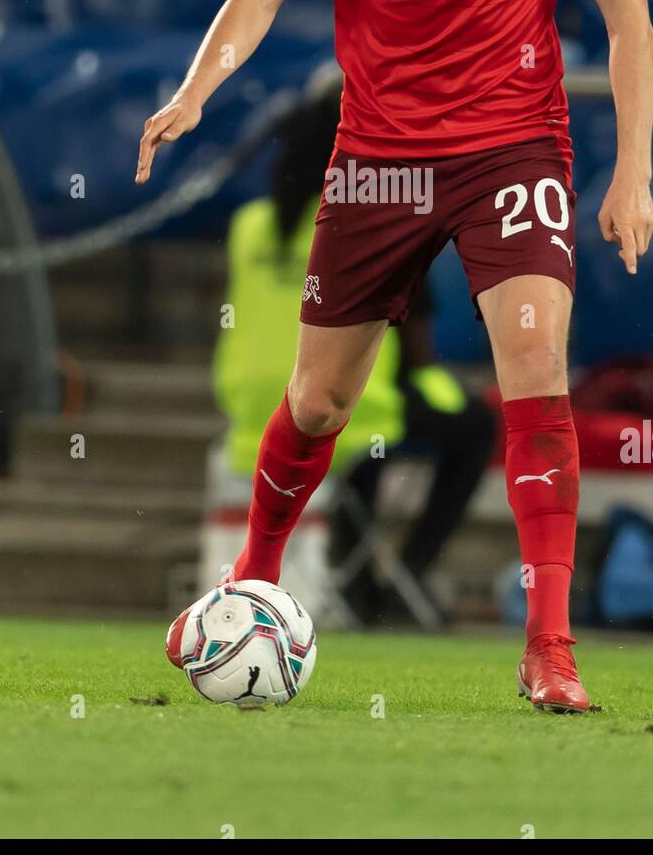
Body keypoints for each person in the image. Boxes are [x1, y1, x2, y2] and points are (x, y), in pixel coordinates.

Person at [139, 0, 653, 714]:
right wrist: (195, 89)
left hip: (513, 150)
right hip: (376, 158)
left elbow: (629, 23)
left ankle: (547, 647)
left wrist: (631, 171)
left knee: (531, 361)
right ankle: (253, 579)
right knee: (320, 398)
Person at [211, 64, 496, 626]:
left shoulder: (249, 225)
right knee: (468, 425)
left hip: (248, 415)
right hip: (346, 411)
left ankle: (356, 578)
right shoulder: (378, 215)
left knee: (356, 432)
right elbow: (415, 342)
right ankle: (407, 568)